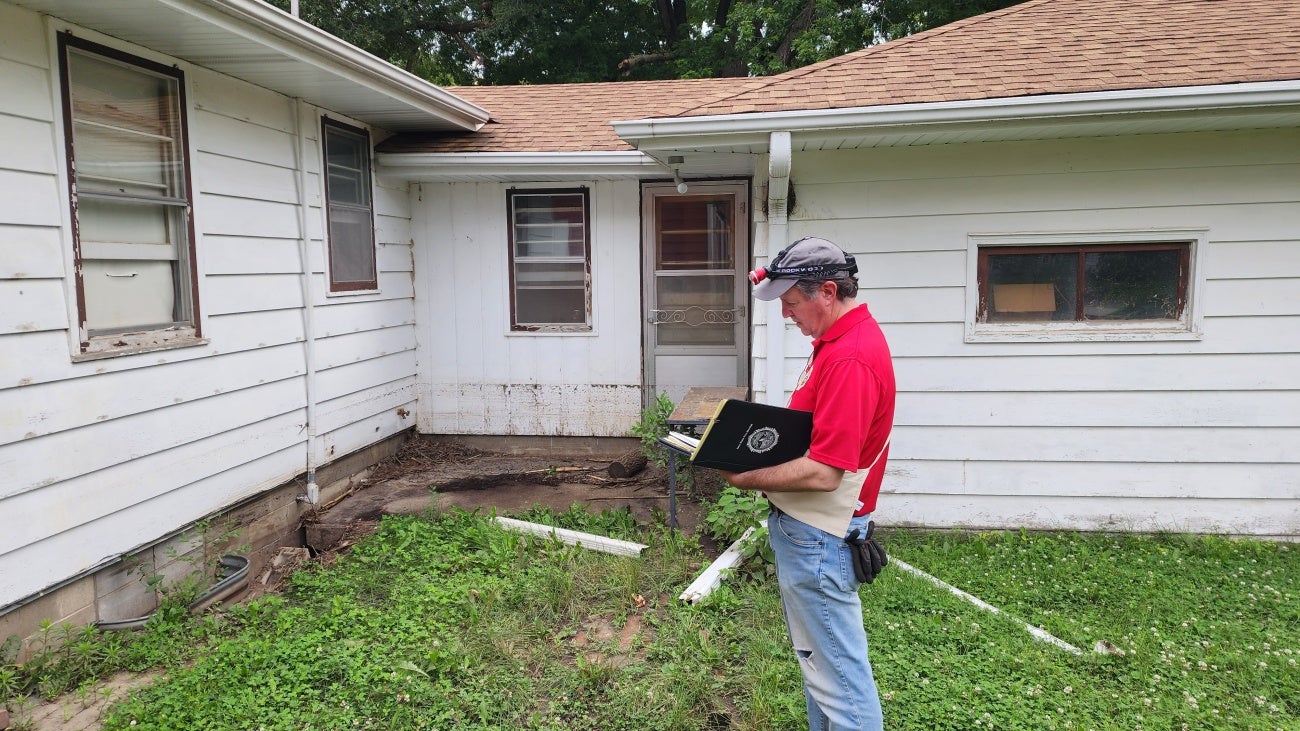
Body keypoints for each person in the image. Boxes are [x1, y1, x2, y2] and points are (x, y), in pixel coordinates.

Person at [720, 236, 895, 731]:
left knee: (841, 682)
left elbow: (824, 471)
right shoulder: (838, 343)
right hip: (814, 535)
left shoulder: (849, 359)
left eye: (792, 303)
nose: (786, 315)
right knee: (823, 671)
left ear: (827, 292)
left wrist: (744, 477)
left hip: (819, 540)